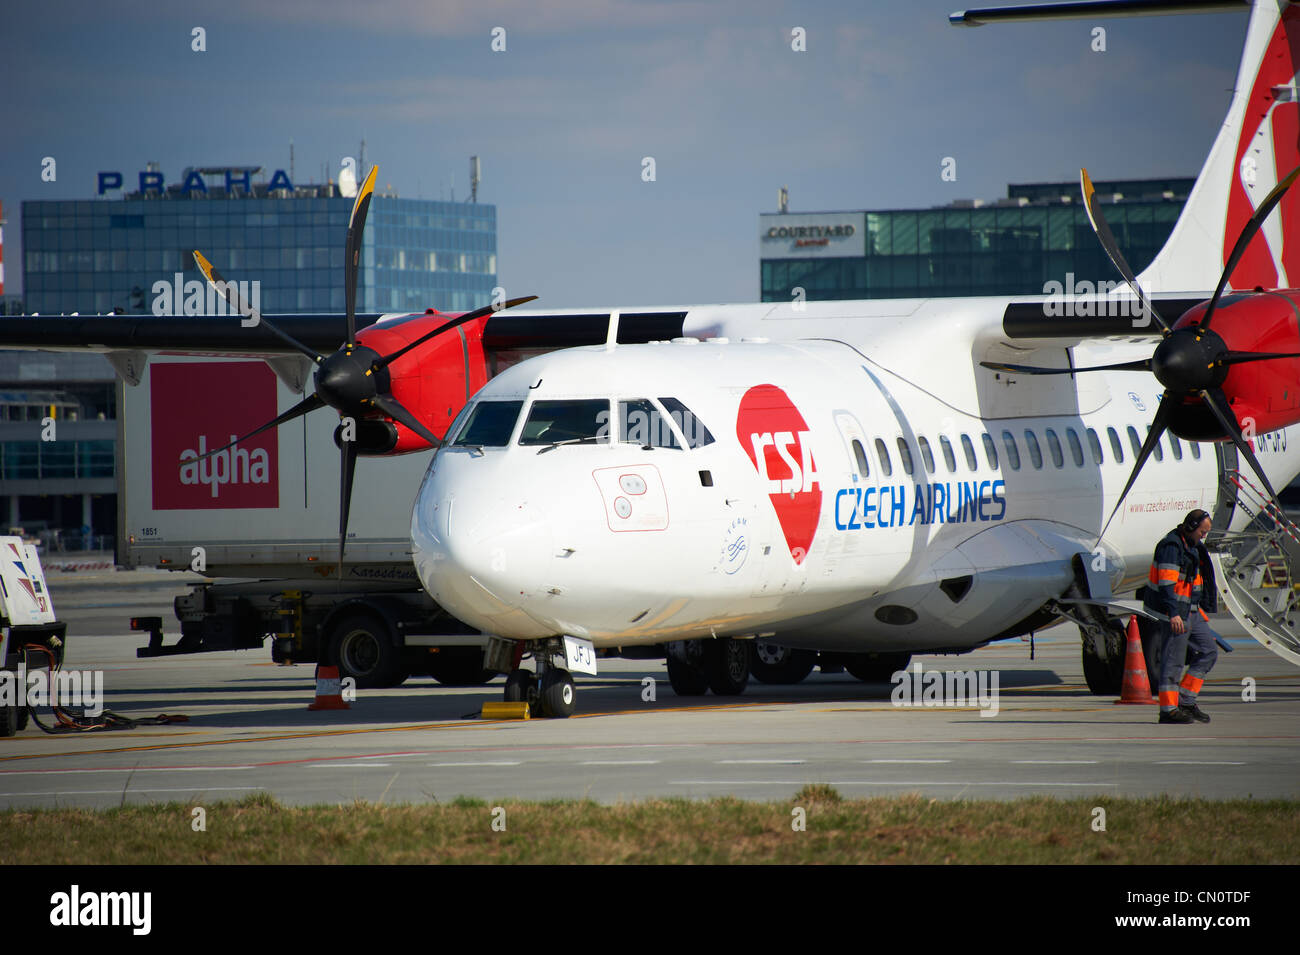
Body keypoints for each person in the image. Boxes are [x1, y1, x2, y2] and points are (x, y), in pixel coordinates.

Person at [1142, 509, 1219, 724]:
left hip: (1191, 610)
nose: (1203, 536)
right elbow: (1166, 585)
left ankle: (1185, 700)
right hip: (1175, 613)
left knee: (1208, 651)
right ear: (1192, 528)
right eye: (1202, 532)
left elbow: (1192, 583)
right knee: (1173, 661)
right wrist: (1173, 614)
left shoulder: (1192, 547)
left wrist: (1199, 607)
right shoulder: (1171, 547)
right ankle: (1168, 709)